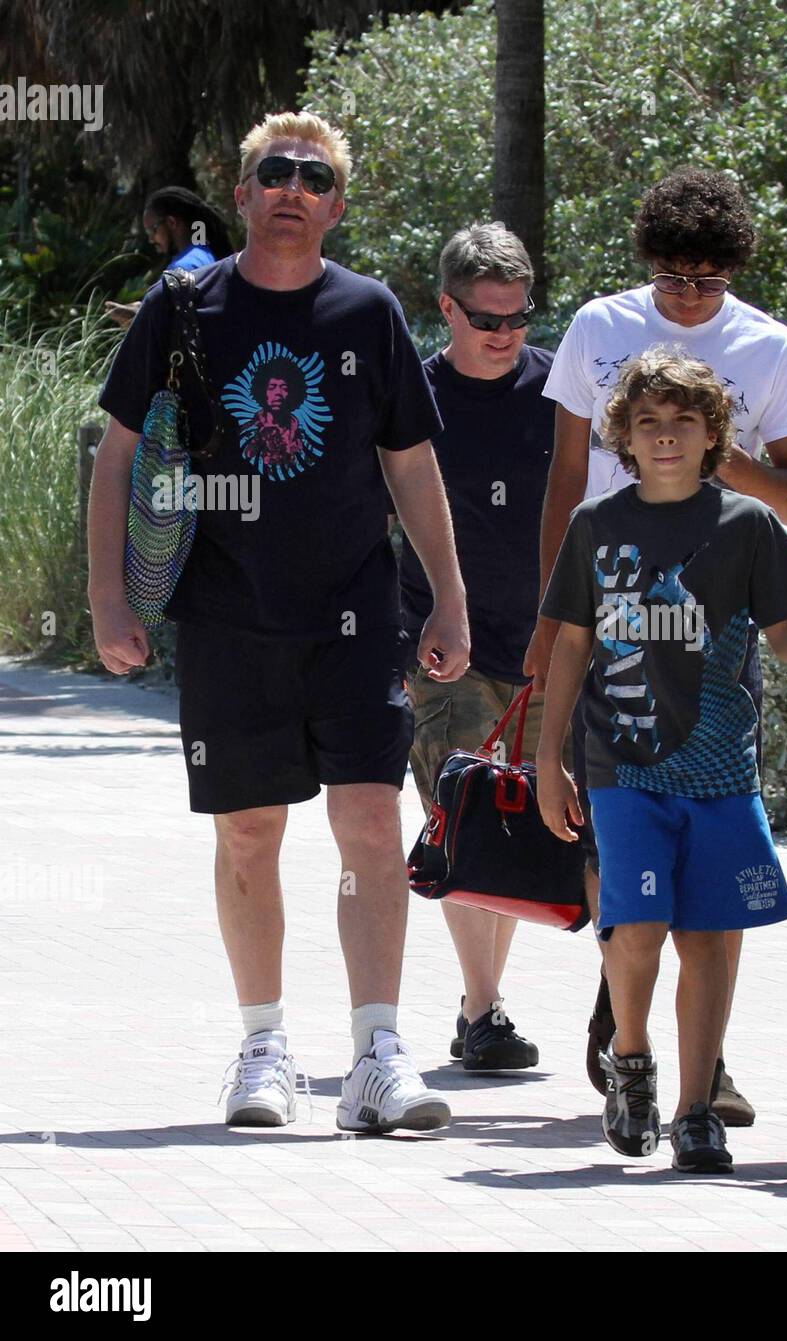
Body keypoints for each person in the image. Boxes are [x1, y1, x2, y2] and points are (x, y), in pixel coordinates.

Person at [88, 111, 471, 1134]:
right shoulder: (184, 305)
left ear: (335, 205)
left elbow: (410, 464)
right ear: (244, 192)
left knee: (371, 822)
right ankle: (262, 1047)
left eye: (314, 177)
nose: (292, 188)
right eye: (274, 173)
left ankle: (378, 1056)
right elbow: (119, 454)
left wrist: (448, 595)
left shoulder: (368, 311)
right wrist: (108, 597)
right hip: (227, 614)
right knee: (250, 831)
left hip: (355, 610)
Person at [527, 167, 787, 1126]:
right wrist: (548, 617)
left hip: (716, 641)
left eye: (709, 279)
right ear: (647, 258)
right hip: (607, 626)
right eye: (672, 275)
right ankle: (626, 1022)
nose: (689, 295)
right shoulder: (597, 327)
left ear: (736, 270)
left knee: (709, 894)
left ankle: (699, 1065)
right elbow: (566, 474)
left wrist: (716, 456)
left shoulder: (768, 347)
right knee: (620, 853)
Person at [535, 349, 787, 1172]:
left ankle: (695, 1111)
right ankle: (632, 1060)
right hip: (621, 766)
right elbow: (572, 644)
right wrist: (548, 756)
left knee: (708, 939)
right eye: (648, 421)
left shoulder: (746, 525)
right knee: (637, 929)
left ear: (714, 432)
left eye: (684, 420)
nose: (666, 435)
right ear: (623, 436)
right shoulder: (596, 524)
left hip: (721, 770)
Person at [399, 222, 557, 1071]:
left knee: (518, 825)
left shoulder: (561, 392)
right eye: (486, 318)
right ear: (447, 309)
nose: (504, 333)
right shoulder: (413, 397)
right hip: (441, 646)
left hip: (544, 646)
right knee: (463, 816)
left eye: (518, 316)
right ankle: (485, 1004)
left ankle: (478, 1007)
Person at [106, 187, 235, 328]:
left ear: (172, 222)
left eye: (152, 230)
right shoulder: (204, 254)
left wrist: (138, 317)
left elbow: (176, 328)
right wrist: (145, 308)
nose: (150, 239)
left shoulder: (184, 267)